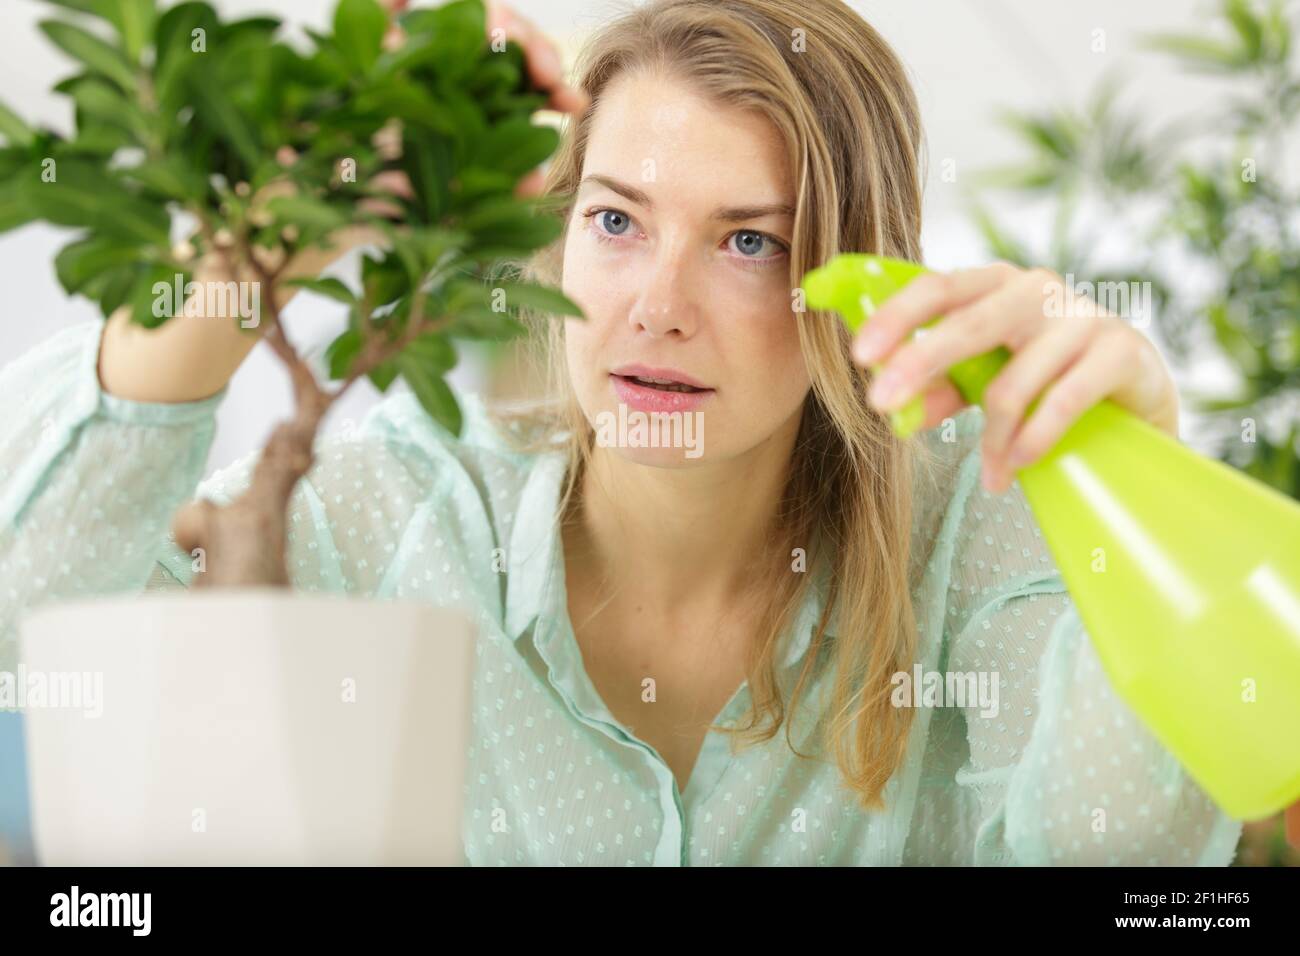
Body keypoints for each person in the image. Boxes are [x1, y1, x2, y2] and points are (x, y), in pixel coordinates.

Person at [0, 0, 1243, 866]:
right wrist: (252, 252)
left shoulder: (974, 517)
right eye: (615, 220)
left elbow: (1118, 860)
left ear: (856, 275)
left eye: (748, 240)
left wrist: (1136, 485)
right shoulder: (410, 511)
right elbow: (25, 629)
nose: (657, 306)